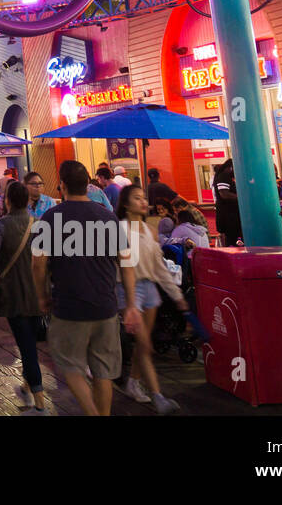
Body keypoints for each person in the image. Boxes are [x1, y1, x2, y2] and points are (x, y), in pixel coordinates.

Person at [32, 160, 140, 416]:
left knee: (70, 367)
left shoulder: (51, 217)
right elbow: (127, 264)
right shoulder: (108, 216)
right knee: (103, 372)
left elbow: (38, 264)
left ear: (62, 186)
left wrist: (42, 296)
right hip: (106, 306)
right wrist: (132, 305)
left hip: (69, 306)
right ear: (88, 185)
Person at [115, 184, 186, 414]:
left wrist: (176, 295)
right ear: (126, 204)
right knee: (145, 344)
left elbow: (159, 267)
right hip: (128, 289)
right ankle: (158, 396)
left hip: (150, 288)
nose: (143, 202)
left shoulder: (150, 230)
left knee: (143, 345)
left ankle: (133, 383)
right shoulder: (119, 229)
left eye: (144, 198)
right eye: (137, 198)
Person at [0, 181, 48, 412]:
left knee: (27, 345)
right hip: (38, 292)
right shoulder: (39, 224)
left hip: (13, 292)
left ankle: (39, 396)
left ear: (8, 201)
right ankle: (27, 383)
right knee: (30, 338)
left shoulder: (1, 225)